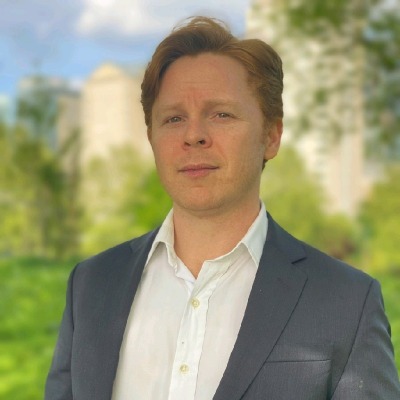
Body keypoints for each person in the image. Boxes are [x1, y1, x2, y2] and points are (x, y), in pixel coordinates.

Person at [45, 16, 400, 400]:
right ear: (152, 138)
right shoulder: (91, 285)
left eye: (221, 114)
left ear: (271, 136)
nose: (193, 135)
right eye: (174, 118)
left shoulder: (347, 302)